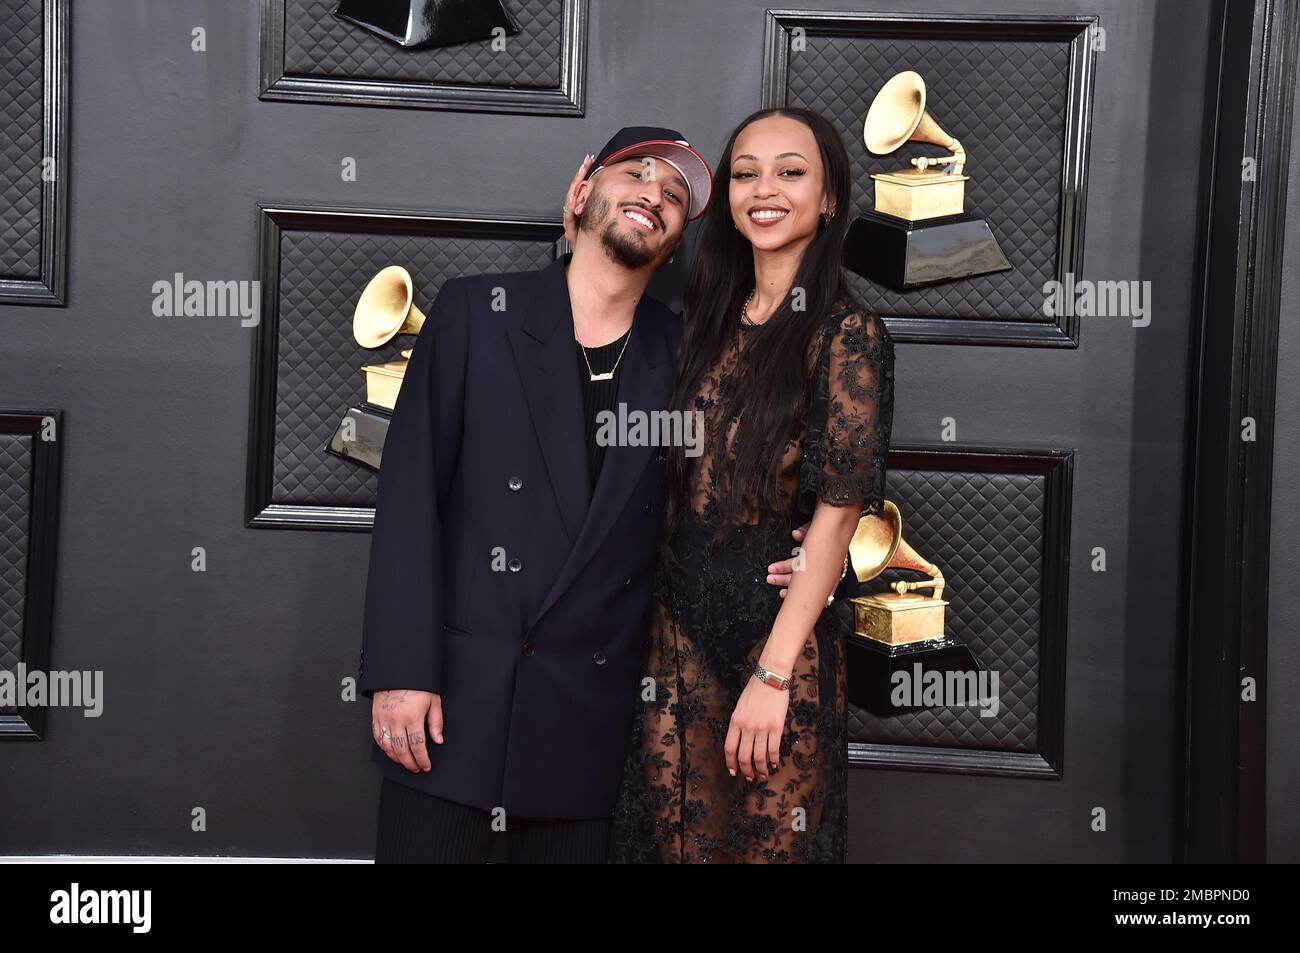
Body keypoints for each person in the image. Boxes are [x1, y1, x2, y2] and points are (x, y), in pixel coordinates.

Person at [357, 126, 805, 863]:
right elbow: (410, 501)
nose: (653, 196)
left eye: (674, 196)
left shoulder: (690, 357)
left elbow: (724, 509)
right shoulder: (475, 313)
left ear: (672, 244)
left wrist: (813, 565)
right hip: (450, 715)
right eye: (636, 174)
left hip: (592, 734)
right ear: (581, 192)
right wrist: (401, 672)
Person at [608, 107, 897, 864]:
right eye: (745, 173)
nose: (763, 189)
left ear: (830, 197)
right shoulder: (702, 320)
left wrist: (772, 673)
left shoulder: (847, 333)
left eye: (790, 172)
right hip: (677, 631)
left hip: (780, 643)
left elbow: (837, 518)